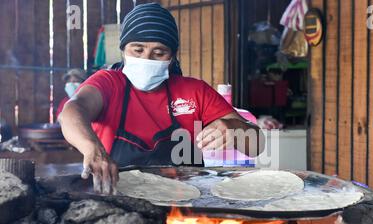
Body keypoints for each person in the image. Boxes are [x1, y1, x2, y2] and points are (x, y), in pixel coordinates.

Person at [58, 3, 263, 195]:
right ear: (123, 50)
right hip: (121, 204)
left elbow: (257, 145)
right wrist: (92, 148)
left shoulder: (194, 91)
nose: (146, 59)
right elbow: (73, 110)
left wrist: (234, 128)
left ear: (172, 57)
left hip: (185, 208)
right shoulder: (109, 83)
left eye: (159, 52)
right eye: (137, 50)